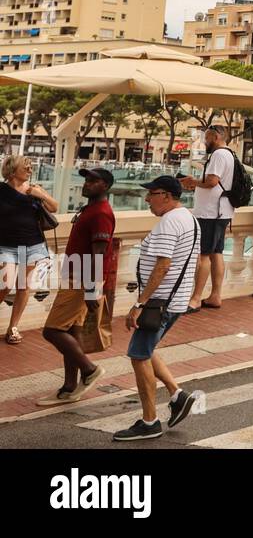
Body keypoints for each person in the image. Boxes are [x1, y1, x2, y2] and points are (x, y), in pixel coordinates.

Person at [113, 175, 200, 442]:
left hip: (159, 303)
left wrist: (140, 304)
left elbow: (163, 265)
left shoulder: (170, 222)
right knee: (146, 349)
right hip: (174, 300)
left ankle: (149, 421)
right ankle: (177, 394)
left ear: (167, 196)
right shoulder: (189, 218)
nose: (147, 199)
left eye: (152, 193)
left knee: (138, 355)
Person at [37, 168, 117, 404]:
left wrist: (92, 289)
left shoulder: (101, 213)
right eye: (86, 179)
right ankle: (69, 388)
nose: (87, 184)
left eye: (94, 181)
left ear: (105, 186)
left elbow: (98, 253)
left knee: (52, 330)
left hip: (81, 279)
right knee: (72, 331)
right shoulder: (90, 209)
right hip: (76, 275)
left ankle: (90, 370)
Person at [0, 155, 59, 345]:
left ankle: (13, 328)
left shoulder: (34, 189)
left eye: (31, 167)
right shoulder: (1, 190)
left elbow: (54, 207)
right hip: (6, 245)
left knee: (24, 287)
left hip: (32, 244)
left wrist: (40, 194)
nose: (30, 170)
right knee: (5, 284)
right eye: (26, 167)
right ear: (12, 169)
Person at [181, 126, 235, 312]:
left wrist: (192, 182)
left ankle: (195, 299)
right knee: (216, 253)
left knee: (203, 255)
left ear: (217, 136)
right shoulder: (230, 154)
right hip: (222, 212)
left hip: (211, 213)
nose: (205, 141)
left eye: (208, 137)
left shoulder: (219, 155)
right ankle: (215, 295)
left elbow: (212, 182)